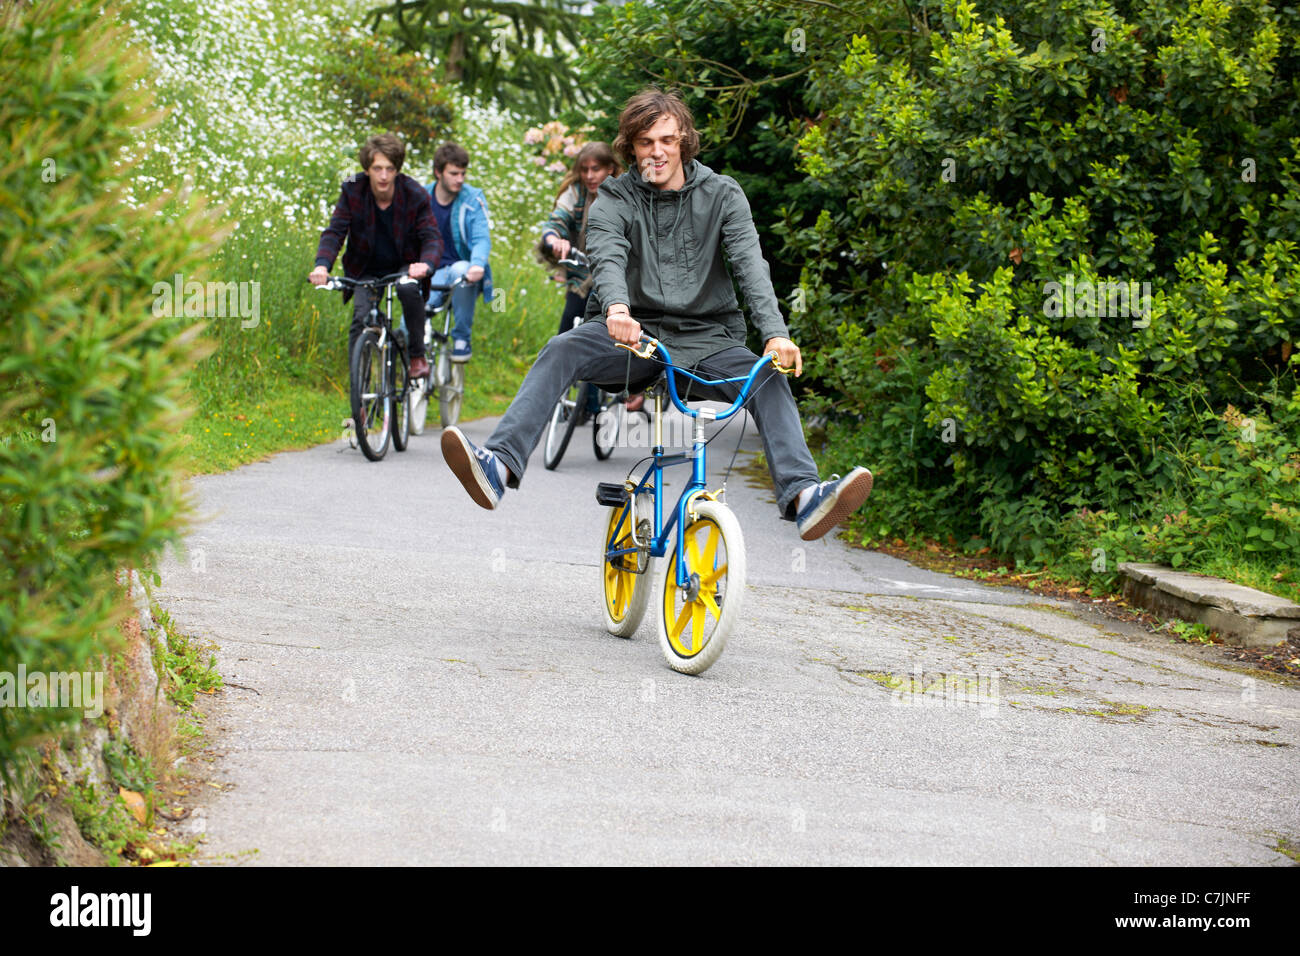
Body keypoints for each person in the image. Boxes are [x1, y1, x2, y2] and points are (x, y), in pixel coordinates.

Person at [440, 88, 873, 542]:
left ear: (684, 138)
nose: (657, 151)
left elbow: (750, 266)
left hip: (709, 342)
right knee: (562, 348)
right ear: (631, 146)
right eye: (646, 142)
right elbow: (606, 254)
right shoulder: (614, 197)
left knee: (769, 376)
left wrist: (775, 335)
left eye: (666, 139)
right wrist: (618, 309)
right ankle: (499, 465)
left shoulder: (723, 195)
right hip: (631, 339)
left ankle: (804, 496)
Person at [310, 134, 441, 380]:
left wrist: (426, 264)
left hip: (405, 264)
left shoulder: (415, 193)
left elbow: (431, 236)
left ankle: (416, 356)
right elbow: (335, 231)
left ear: (397, 171)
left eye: (389, 169)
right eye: (377, 169)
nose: (383, 176)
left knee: (408, 289)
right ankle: (359, 390)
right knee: (361, 318)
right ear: (367, 169)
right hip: (366, 267)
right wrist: (322, 266)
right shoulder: (352, 188)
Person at [425, 142, 493, 363]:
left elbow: (481, 237)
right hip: (429, 270)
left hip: (461, 269)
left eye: (463, 173)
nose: (460, 179)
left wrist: (478, 264)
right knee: (409, 327)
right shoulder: (421, 197)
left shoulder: (472, 198)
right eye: (454, 173)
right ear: (438, 172)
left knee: (462, 270)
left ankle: (462, 338)